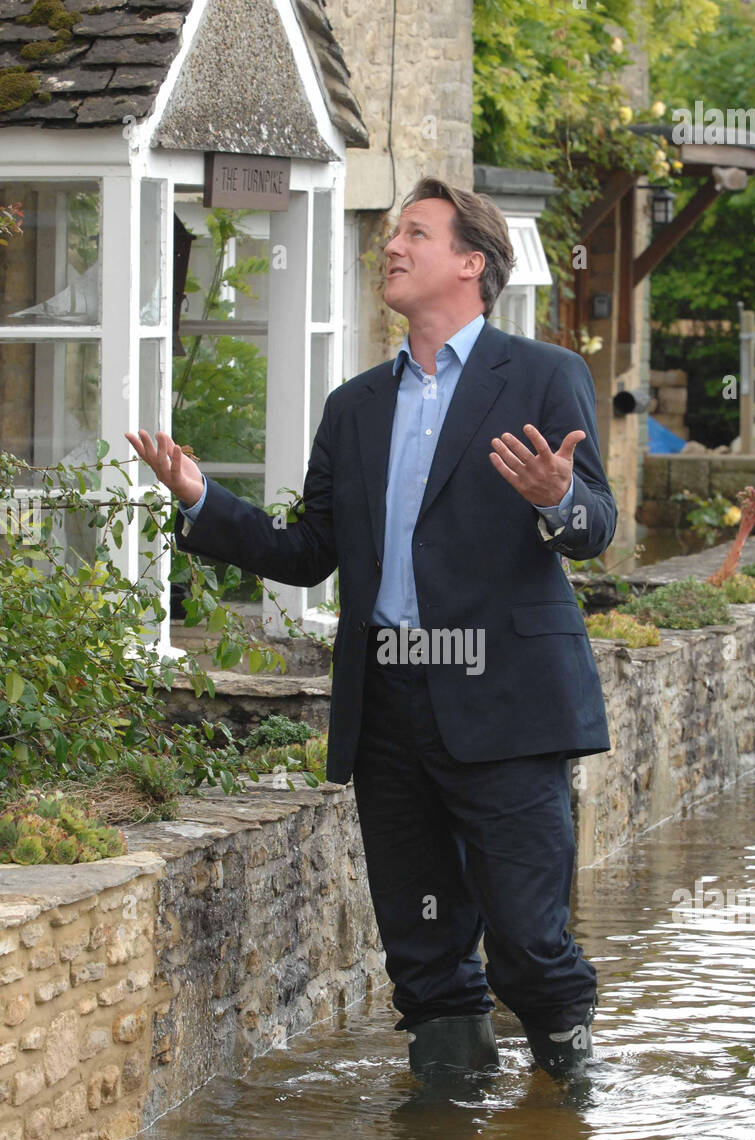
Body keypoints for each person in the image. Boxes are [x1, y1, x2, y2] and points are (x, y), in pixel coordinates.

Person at [126, 177, 617, 1083]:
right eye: (393, 234)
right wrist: (201, 499)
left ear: (471, 263)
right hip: (389, 700)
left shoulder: (544, 375)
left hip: (506, 703)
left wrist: (558, 503)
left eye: (415, 234)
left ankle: (568, 1098)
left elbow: (596, 526)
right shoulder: (355, 405)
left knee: (525, 934)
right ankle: (444, 1121)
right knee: (423, 942)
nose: (391, 247)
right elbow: (308, 551)